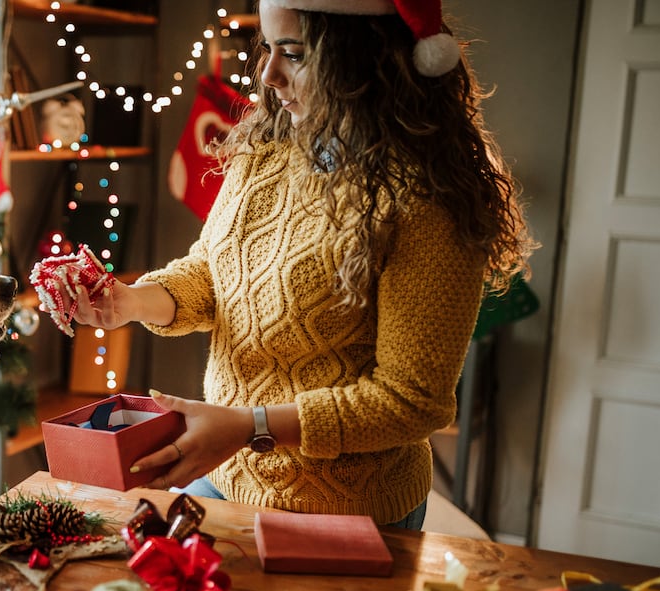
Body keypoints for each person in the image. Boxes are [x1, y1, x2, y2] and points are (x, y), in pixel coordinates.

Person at [72, 0, 536, 529]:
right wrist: (130, 302)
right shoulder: (265, 152)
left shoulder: (427, 201)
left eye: (294, 54)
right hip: (226, 475)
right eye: (268, 49)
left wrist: (249, 426)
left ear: (363, 58)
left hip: (347, 508)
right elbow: (211, 272)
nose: (268, 76)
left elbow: (411, 402)